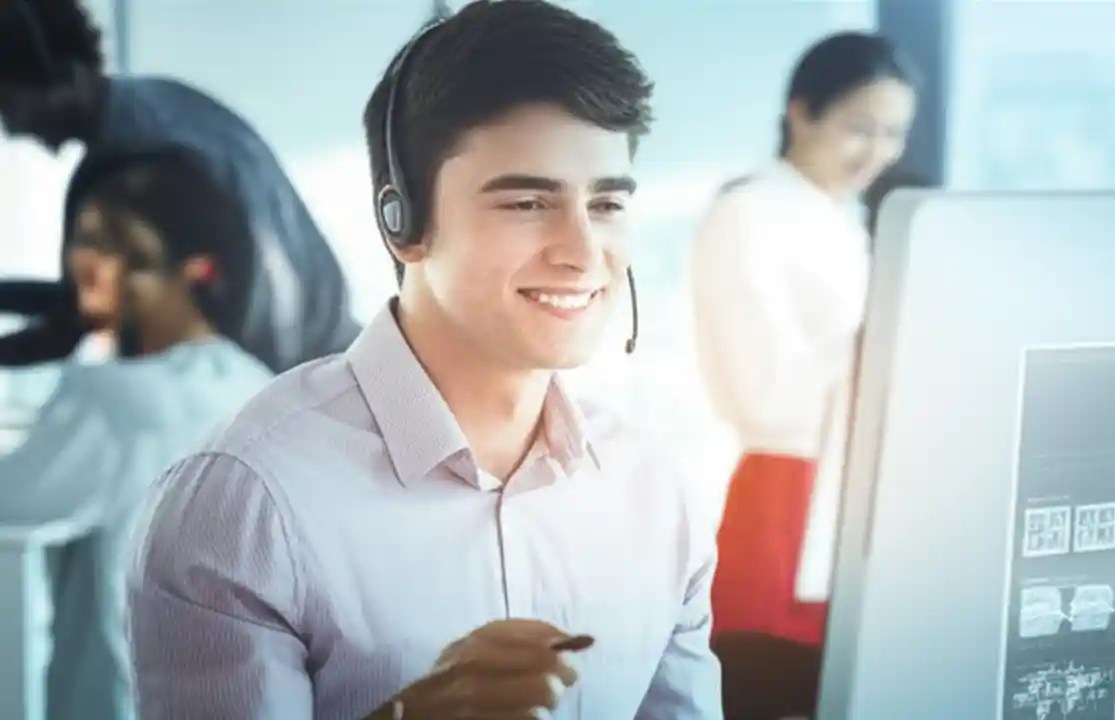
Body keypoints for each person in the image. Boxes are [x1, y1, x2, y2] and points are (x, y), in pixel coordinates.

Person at [126, 3, 721, 719]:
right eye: (529, 202)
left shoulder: (653, 494)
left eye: (606, 204)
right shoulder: (246, 504)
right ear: (401, 222)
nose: (584, 254)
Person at [690, 32, 917, 718]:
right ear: (801, 112)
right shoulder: (748, 211)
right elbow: (759, 392)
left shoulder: (843, 219)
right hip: (784, 497)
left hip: (851, 499)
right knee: (768, 690)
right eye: (858, 127)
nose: (875, 152)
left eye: (893, 133)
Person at [0, 152, 273, 720]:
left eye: (119, 248)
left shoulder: (117, 402)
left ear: (194, 269)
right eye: (86, 240)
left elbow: (12, 500)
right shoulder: (260, 388)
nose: (87, 264)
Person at [0, 0, 359, 373]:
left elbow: (74, 319)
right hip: (319, 349)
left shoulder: (136, 165)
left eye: (10, 103)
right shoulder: (164, 110)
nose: (11, 127)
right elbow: (83, 306)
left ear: (65, 72)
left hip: (291, 366)